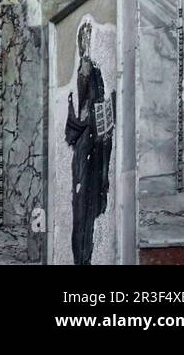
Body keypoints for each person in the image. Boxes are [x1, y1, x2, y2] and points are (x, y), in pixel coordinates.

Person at [65, 18, 114, 265]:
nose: (86, 45)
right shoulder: (82, 80)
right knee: (81, 212)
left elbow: (103, 118)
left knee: (90, 210)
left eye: (88, 39)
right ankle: (81, 260)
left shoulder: (98, 78)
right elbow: (72, 130)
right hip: (84, 159)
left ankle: (85, 257)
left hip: (96, 157)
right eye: (83, 40)